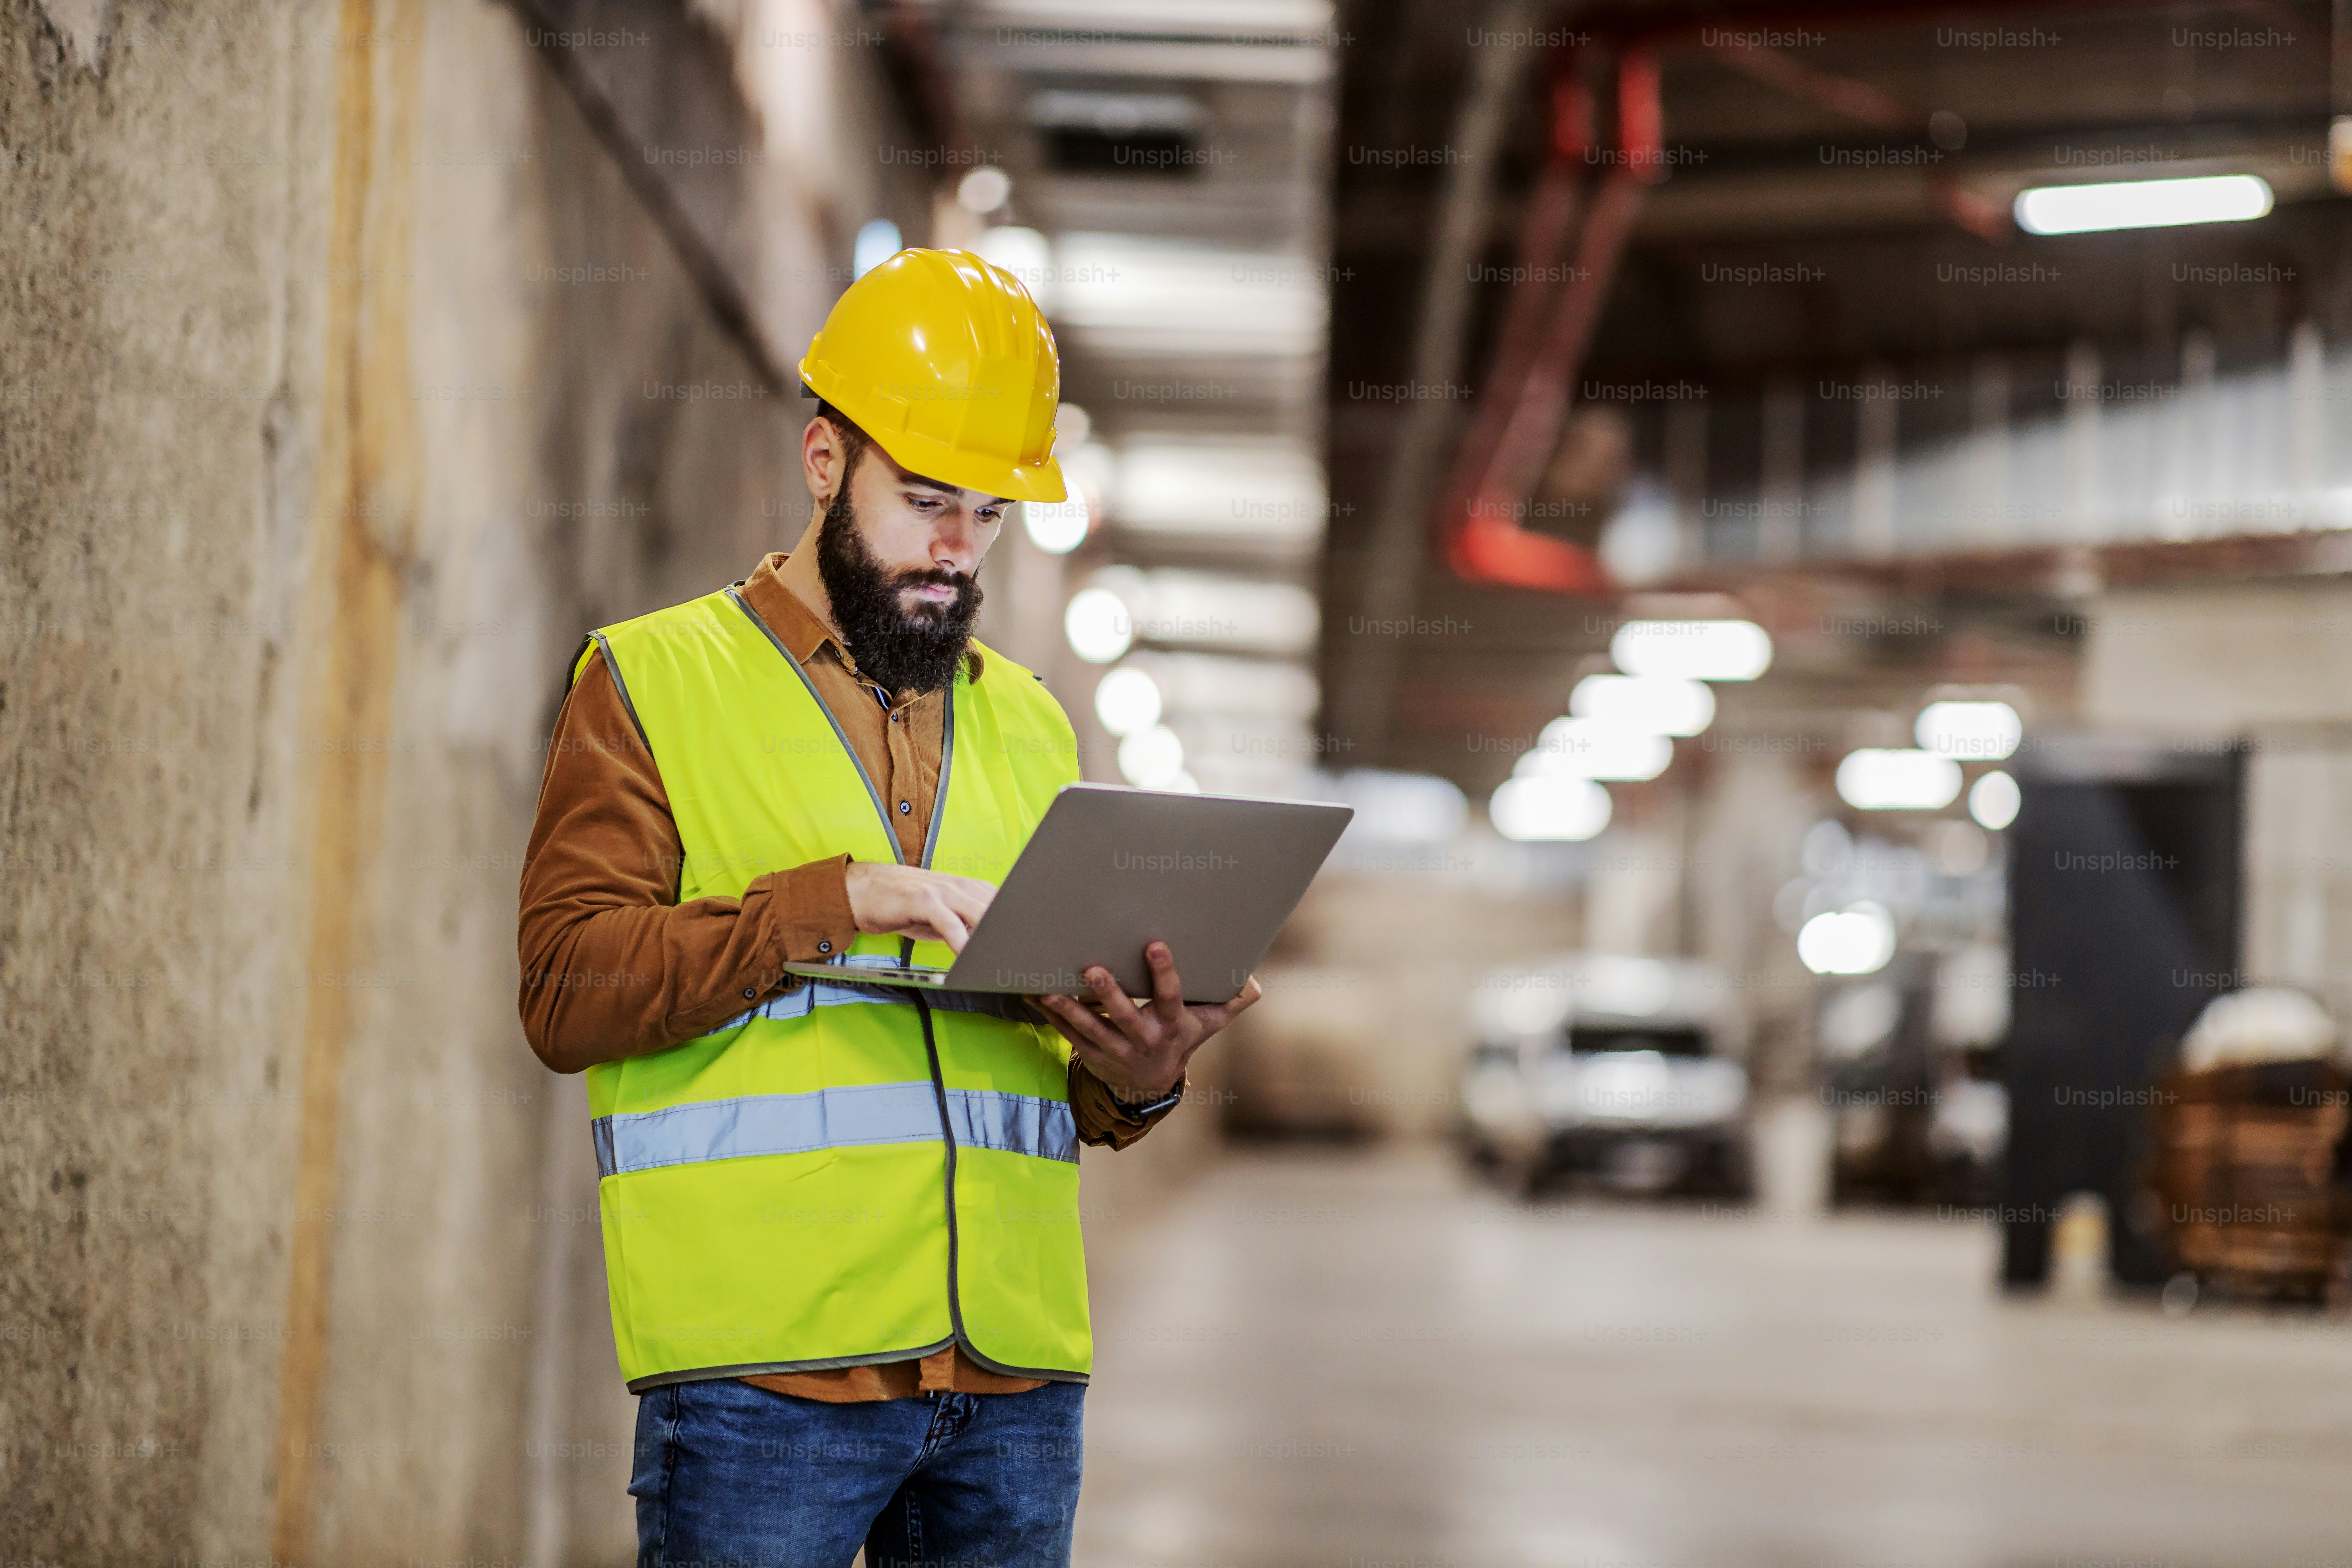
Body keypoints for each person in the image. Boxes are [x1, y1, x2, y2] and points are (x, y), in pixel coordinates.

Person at [516, 247, 1261, 1568]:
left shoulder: (1028, 722)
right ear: (822, 462)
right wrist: (844, 899)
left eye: (986, 517)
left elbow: (1032, 1069)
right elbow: (567, 989)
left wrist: (1138, 1078)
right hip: (766, 1387)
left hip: (1014, 1387)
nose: (954, 551)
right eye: (925, 503)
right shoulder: (651, 680)